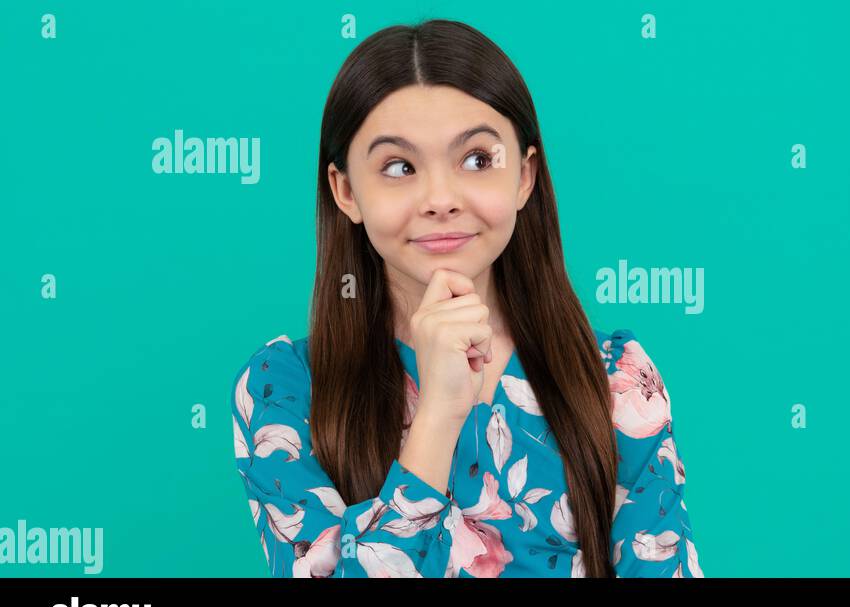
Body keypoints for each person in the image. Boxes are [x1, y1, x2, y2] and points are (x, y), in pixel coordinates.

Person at [229, 19, 701, 578]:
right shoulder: (283, 390)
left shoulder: (617, 378)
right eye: (398, 167)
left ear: (524, 176)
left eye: (477, 159)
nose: (440, 199)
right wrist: (437, 417)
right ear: (346, 191)